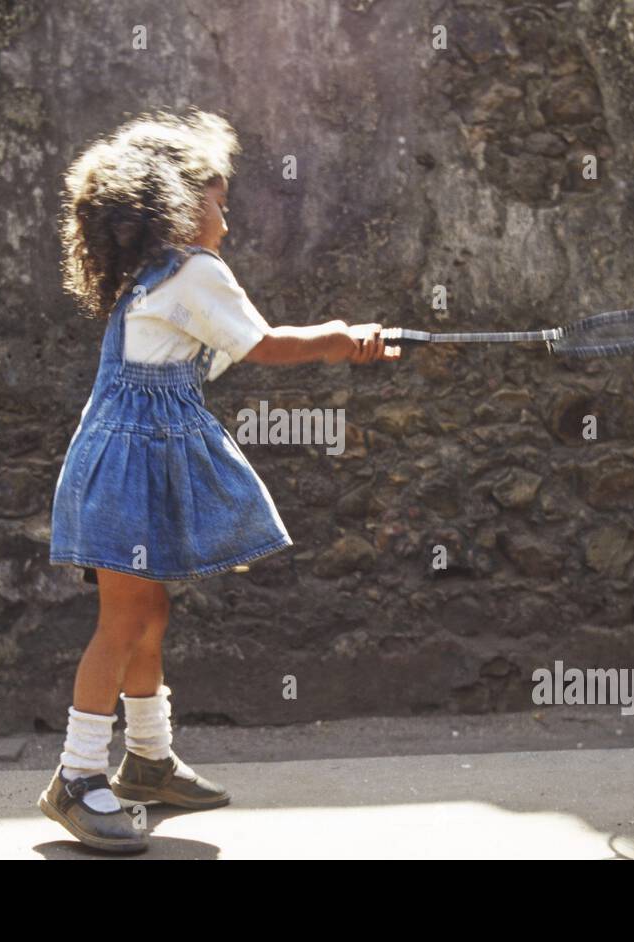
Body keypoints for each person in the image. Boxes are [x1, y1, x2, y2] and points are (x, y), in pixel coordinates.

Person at [37, 108, 401, 853]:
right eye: (217, 201)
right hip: (130, 473)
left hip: (122, 468)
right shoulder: (193, 272)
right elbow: (262, 344)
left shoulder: (152, 277)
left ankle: (147, 757)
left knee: (149, 614)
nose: (225, 221)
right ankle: (76, 777)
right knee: (124, 621)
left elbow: (216, 352)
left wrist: (346, 341)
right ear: (176, 202)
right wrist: (344, 339)